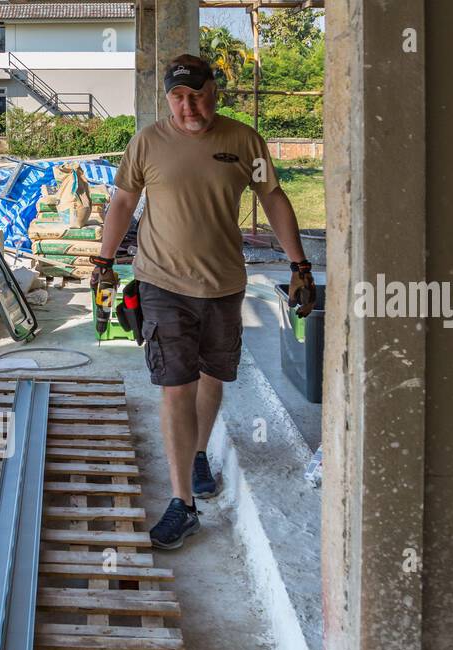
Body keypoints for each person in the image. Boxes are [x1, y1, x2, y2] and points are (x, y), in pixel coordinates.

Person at [93, 53, 316, 549]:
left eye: (196, 95)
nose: (188, 107)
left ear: (214, 89)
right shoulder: (147, 142)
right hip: (161, 282)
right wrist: (104, 261)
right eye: (177, 97)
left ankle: (197, 454)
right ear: (167, 97)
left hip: (223, 284)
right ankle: (182, 504)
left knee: (212, 377)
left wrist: (300, 265)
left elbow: (273, 197)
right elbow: (123, 202)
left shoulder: (244, 141)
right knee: (176, 385)